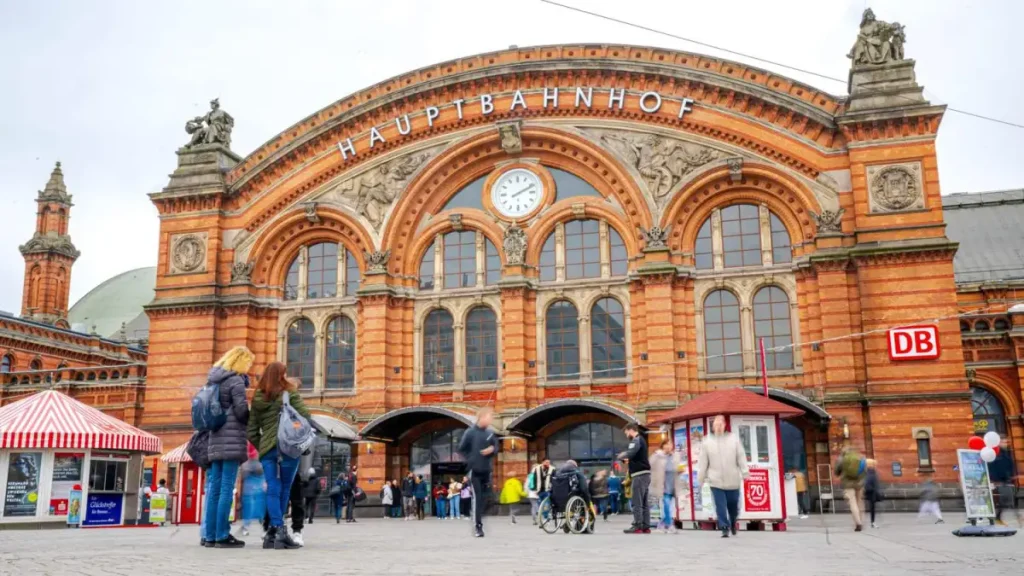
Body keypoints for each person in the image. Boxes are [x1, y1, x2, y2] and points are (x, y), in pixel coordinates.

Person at [247, 361, 313, 550]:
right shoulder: (289, 392)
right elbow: (305, 416)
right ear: (281, 375)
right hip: (289, 449)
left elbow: (251, 431)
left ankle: (272, 532)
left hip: (269, 450)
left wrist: (264, 447)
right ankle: (279, 531)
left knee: (273, 490)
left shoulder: (258, 397)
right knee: (284, 489)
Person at [203, 346, 254, 549]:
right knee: (226, 488)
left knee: (214, 489)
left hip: (214, 438)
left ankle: (210, 535)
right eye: (248, 362)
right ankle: (222, 534)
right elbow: (241, 411)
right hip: (231, 438)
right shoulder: (235, 380)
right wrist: (250, 418)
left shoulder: (213, 379)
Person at [696, 415, 749, 538]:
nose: (718, 426)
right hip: (715, 480)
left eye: (720, 424)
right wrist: (701, 478)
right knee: (720, 505)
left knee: (733, 505)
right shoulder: (707, 441)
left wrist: (745, 472)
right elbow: (703, 461)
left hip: (733, 478)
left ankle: (732, 522)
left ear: (725, 425)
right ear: (713, 426)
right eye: (716, 424)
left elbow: (741, 456)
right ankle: (724, 527)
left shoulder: (733, 439)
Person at [457, 407, 500, 538]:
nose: (491, 419)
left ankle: (477, 515)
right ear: (482, 417)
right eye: (489, 417)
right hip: (475, 471)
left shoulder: (490, 433)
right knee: (478, 498)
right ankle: (478, 527)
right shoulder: (470, 432)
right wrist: (471, 460)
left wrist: (492, 449)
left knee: (487, 499)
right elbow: (461, 449)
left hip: (487, 471)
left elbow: (496, 447)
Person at [617, 423, 651, 534]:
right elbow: (636, 457)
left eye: (626, 432)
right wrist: (629, 460)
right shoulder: (642, 440)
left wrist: (621, 455)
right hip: (645, 474)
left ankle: (637, 526)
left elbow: (630, 453)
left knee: (637, 502)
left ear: (631, 430)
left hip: (639, 475)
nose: (626, 434)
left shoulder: (636, 440)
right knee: (644, 502)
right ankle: (645, 526)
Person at [651, 439, 683, 533]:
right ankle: (669, 525)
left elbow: (676, 467)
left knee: (670, 507)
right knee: (666, 504)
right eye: (666, 444)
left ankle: (661, 524)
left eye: (670, 444)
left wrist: (679, 470)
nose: (669, 446)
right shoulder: (658, 456)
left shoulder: (675, 456)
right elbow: (651, 465)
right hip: (663, 485)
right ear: (663, 446)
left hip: (672, 485)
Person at [834, 444, 866, 532]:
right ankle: (861, 521)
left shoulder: (841, 458)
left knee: (852, 502)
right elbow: (865, 470)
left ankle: (858, 523)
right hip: (859, 483)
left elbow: (836, 472)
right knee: (859, 501)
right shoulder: (860, 457)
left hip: (848, 484)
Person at [237, 443, 265, 538]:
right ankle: (264, 525)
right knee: (260, 501)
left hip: (248, 467)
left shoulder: (247, 438)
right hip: (259, 466)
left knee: (248, 501)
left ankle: (246, 526)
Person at [990, 439, 1015, 525]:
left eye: (1006, 442)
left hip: (1006, 481)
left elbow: (1010, 466)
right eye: (1004, 442)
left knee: (1007, 500)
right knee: (1003, 500)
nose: (1006, 444)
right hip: (999, 481)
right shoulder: (997, 455)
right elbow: (993, 468)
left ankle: (997, 517)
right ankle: (996, 517)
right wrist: (995, 479)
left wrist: (1011, 476)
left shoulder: (1006, 454)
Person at [863, 459, 881, 528]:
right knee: (872, 507)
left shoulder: (868, 472)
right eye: (874, 464)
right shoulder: (871, 472)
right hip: (871, 492)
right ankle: (872, 522)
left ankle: (872, 522)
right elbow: (869, 483)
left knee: (871, 507)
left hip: (871, 491)